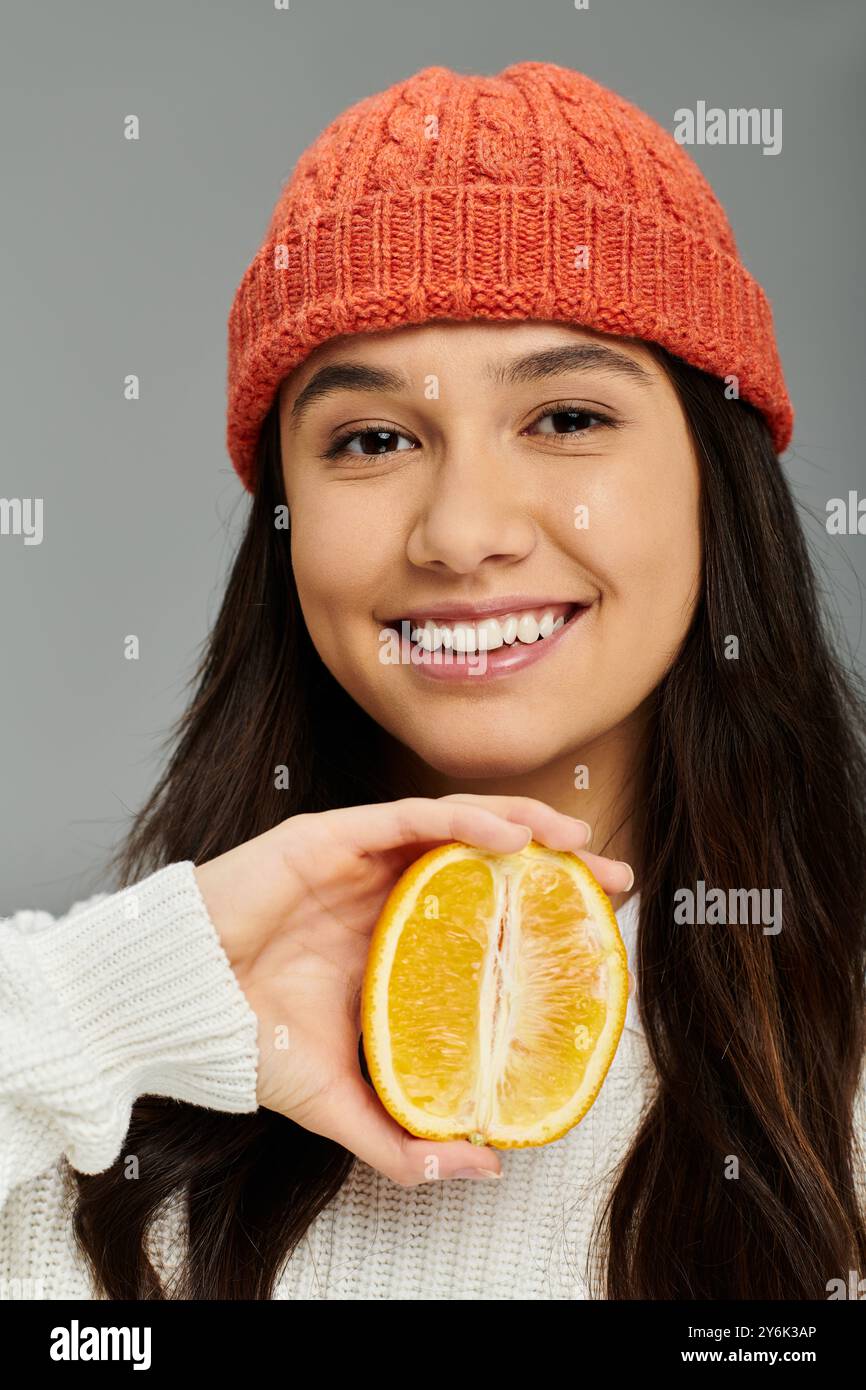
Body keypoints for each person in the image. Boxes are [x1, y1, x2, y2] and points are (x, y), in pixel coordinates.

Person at [2, 61, 865, 1302]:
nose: (461, 531)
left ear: (713, 481)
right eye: (372, 440)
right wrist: (129, 1002)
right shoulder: (74, 1054)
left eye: (565, 418)